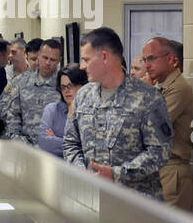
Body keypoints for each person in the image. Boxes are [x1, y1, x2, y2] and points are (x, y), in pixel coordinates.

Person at [63, 26, 172, 198]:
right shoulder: (83, 95)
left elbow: (160, 152)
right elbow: (70, 142)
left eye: (86, 59)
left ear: (105, 57)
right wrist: (79, 169)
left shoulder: (147, 98)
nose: (82, 66)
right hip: (91, 198)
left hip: (136, 203)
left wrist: (116, 174)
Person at [142, 37, 193, 211]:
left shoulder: (178, 87)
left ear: (172, 60)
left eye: (151, 59)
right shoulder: (161, 87)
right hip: (158, 169)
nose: (147, 65)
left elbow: (149, 125)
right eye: (145, 60)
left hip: (172, 170)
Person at [1, 37, 63, 144]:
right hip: (25, 147)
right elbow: (10, 114)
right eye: (45, 57)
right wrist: (17, 138)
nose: (48, 62)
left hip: (55, 148)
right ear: (39, 56)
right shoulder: (20, 82)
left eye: (53, 60)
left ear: (59, 60)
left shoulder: (64, 84)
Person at [38, 64, 87, 157]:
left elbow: (90, 148)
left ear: (83, 86)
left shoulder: (91, 111)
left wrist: (56, 139)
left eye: (71, 86)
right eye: (63, 87)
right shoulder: (52, 110)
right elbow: (44, 143)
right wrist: (76, 145)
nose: (66, 91)